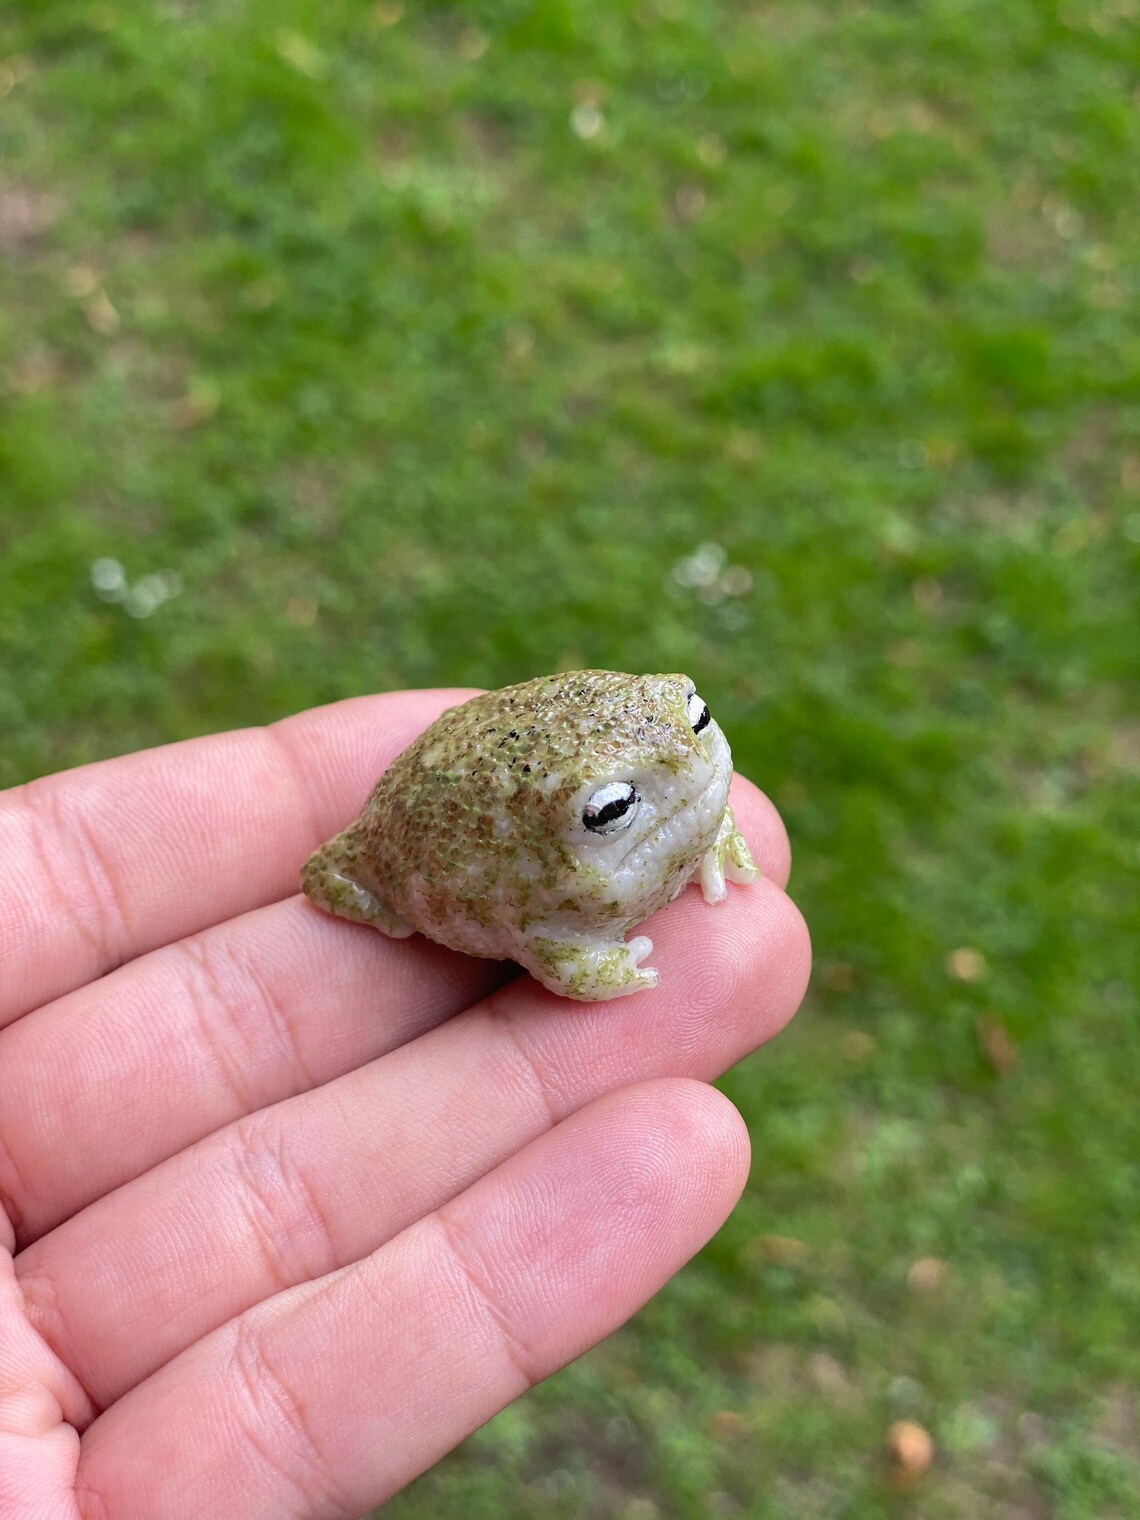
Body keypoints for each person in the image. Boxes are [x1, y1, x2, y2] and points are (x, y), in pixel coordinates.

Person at [0, 689, 810, 1520]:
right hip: (433, 853)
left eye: (701, 717)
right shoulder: (554, 874)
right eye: (610, 805)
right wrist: (603, 963)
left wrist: (709, 829)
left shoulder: (670, 766)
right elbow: (557, 946)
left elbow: (689, 775)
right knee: (377, 876)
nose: (698, 760)